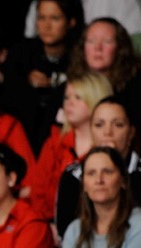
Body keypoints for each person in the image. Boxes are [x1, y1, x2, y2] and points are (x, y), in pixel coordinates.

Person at [55, 95, 141, 240]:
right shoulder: (72, 175)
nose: (107, 132)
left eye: (118, 125)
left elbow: (130, 228)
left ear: (131, 133)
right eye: (99, 125)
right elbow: (66, 233)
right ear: (91, 132)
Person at [68, 17, 141, 163]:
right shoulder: (72, 85)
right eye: (91, 41)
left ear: (120, 48)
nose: (97, 48)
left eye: (107, 41)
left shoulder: (140, 87)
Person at [0, 0, 86, 153]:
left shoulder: (82, 56)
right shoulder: (19, 54)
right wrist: (25, 83)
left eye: (55, 18)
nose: (47, 26)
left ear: (71, 22)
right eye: (41, 18)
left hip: (64, 141)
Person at [26, 71, 112, 222]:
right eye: (66, 97)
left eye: (78, 97)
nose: (69, 103)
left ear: (96, 99)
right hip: (50, 226)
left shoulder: (108, 145)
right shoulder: (54, 143)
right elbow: (37, 192)